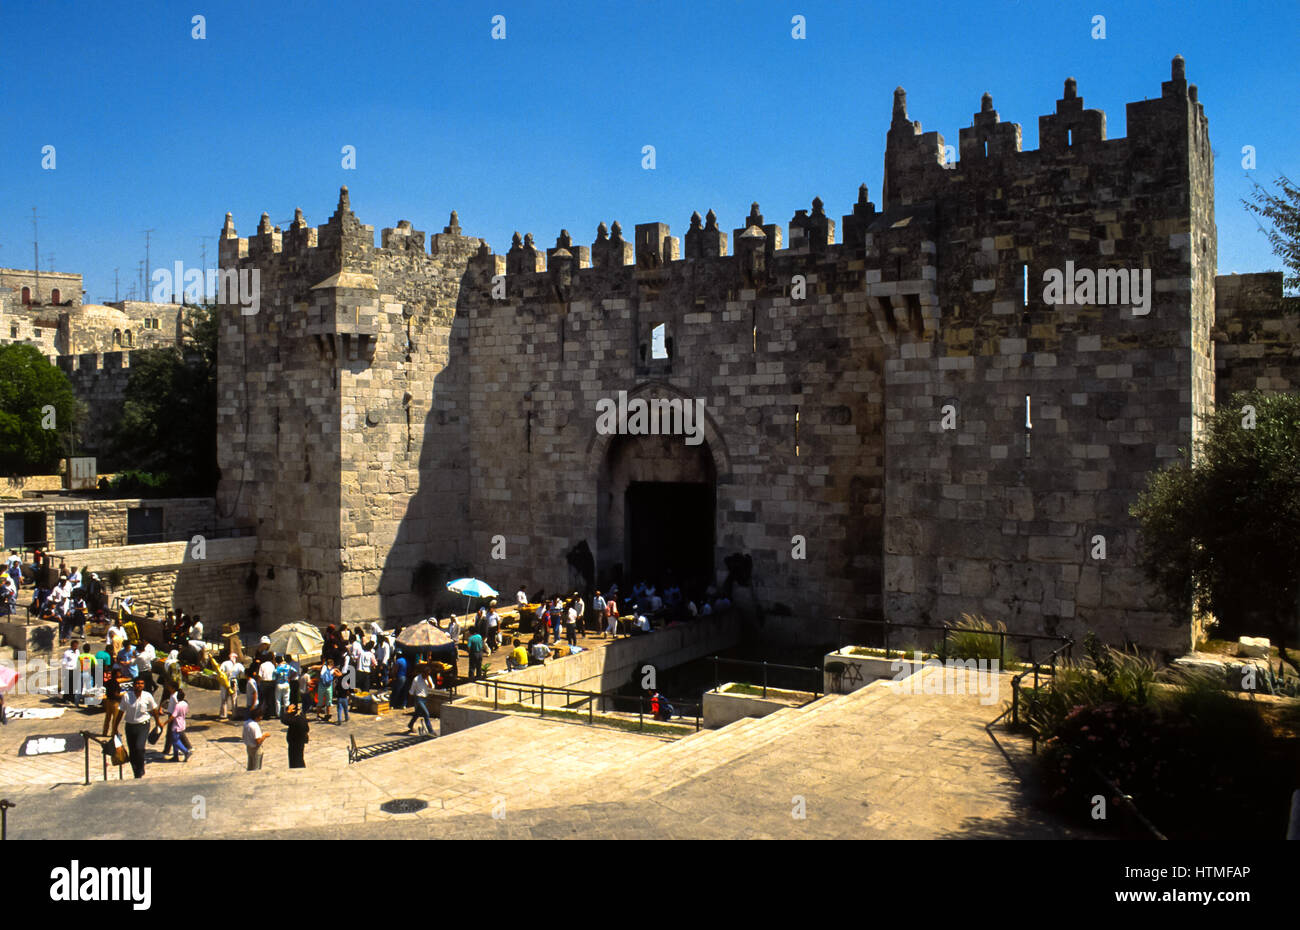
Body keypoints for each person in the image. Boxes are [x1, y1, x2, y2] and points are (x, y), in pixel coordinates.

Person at [120, 677, 159, 779]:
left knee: (139, 747)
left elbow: (154, 709)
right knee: (132, 751)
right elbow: (121, 711)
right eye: (137, 683)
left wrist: (158, 723)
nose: (139, 685)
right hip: (130, 726)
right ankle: (136, 771)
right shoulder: (127, 697)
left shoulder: (148, 696)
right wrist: (114, 727)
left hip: (143, 725)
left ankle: (141, 767)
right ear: (133, 685)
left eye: (141, 683)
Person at [405, 665, 435, 736]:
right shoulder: (416, 679)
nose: (426, 676)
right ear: (422, 673)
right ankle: (430, 730)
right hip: (419, 699)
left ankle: (410, 724)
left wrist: (427, 680)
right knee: (426, 714)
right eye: (425, 674)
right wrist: (409, 702)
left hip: (425, 698)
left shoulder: (428, 678)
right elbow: (411, 691)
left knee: (417, 714)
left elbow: (432, 687)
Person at [166, 688, 192, 762]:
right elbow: (186, 712)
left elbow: (173, 716)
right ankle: (175, 756)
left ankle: (186, 751)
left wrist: (165, 723)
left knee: (175, 741)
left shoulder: (178, 705)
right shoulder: (185, 704)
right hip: (182, 724)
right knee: (176, 740)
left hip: (176, 725)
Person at [284, 703, 309, 769]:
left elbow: (285, 720)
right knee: (299, 757)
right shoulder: (302, 716)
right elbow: (307, 729)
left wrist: (288, 712)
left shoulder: (296, 719)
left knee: (295, 759)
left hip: (295, 741)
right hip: (300, 741)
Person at [218, 652, 243, 721]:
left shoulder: (225, 663)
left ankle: (223, 715)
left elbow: (220, 671)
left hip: (225, 682)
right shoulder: (239, 665)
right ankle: (235, 714)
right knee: (234, 699)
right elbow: (243, 673)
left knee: (224, 699)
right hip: (234, 681)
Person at [243, 706, 268, 770]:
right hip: (256, 749)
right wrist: (265, 736)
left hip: (249, 747)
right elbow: (258, 741)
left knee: (250, 766)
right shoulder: (255, 726)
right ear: (257, 717)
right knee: (256, 768)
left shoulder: (246, 723)